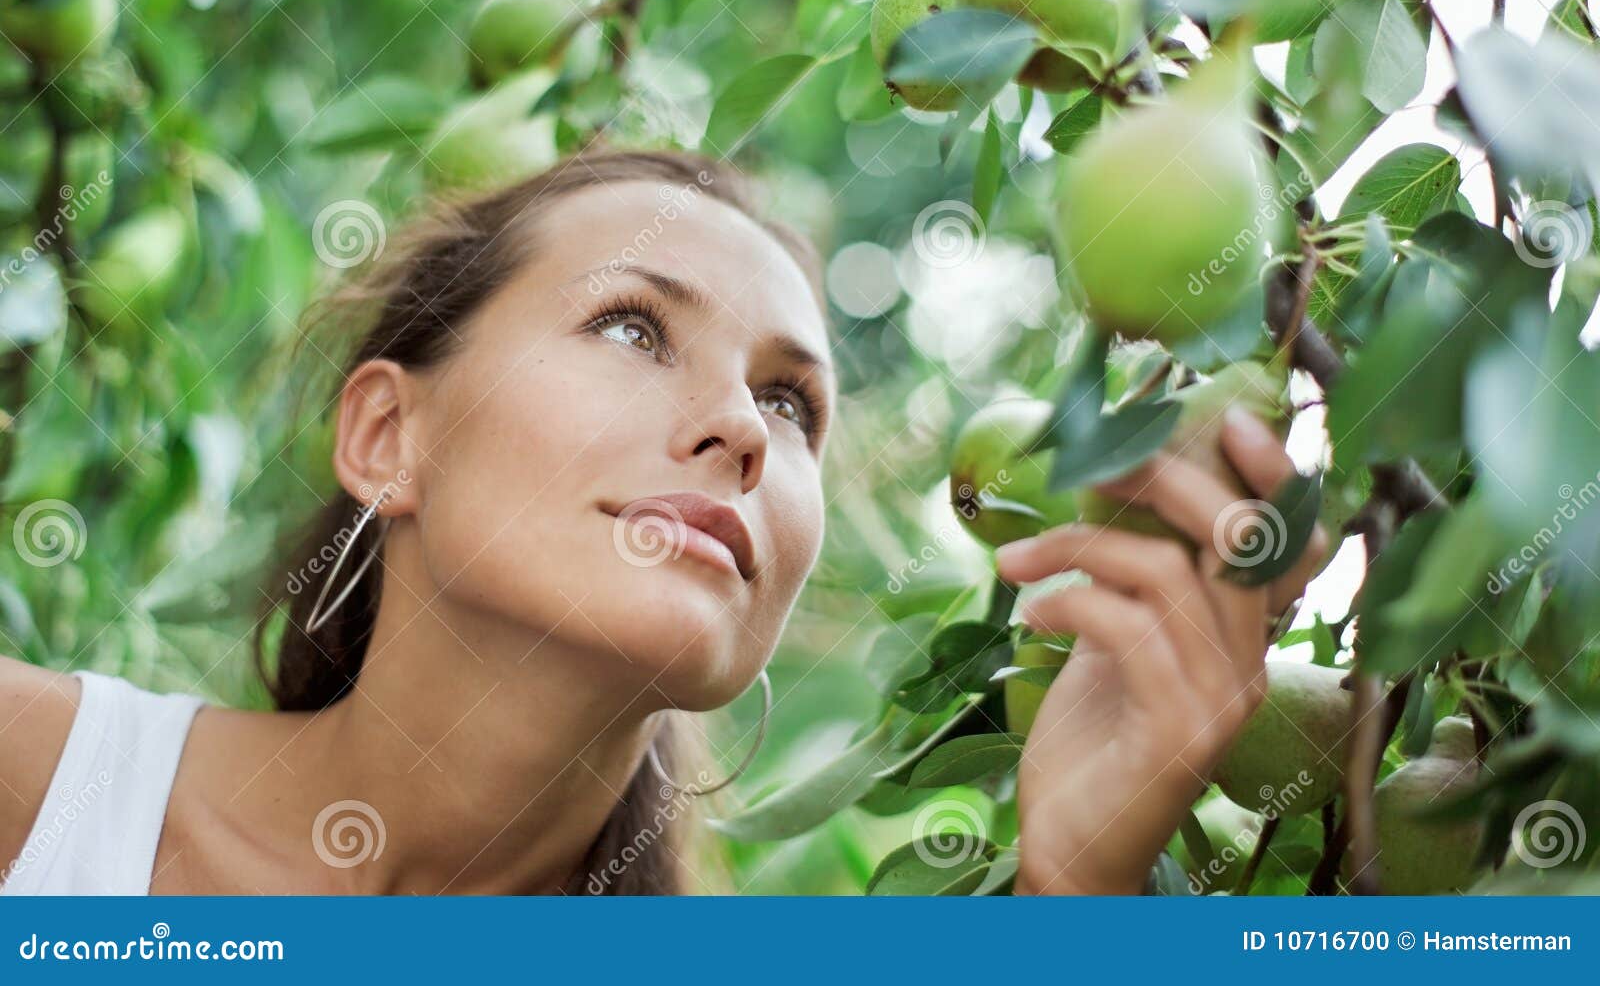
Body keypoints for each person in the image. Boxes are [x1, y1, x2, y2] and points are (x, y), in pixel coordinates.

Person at [0, 148, 1327, 896]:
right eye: (633, 326)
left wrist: (1076, 886)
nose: (747, 430)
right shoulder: (39, 789)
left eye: (795, 404)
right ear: (387, 437)